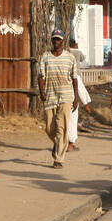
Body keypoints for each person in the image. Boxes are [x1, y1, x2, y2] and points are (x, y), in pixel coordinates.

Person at [37, 29, 79, 168]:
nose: (56, 42)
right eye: (54, 39)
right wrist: (42, 92)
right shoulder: (45, 57)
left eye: (59, 39)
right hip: (50, 96)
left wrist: (76, 97)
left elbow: (74, 78)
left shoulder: (70, 57)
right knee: (49, 128)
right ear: (51, 40)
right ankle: (57, 143)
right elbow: (40, 76)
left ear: (63, 41)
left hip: (66, 96)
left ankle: (58, 159)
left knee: (62, 127)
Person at [66, 37, 89, 152]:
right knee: (71, 122)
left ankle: (66, 143)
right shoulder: (74, 74)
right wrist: (86, 104)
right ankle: (70, 144)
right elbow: (80, 88)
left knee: (65, 122)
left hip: (64, 101)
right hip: (69, 101)